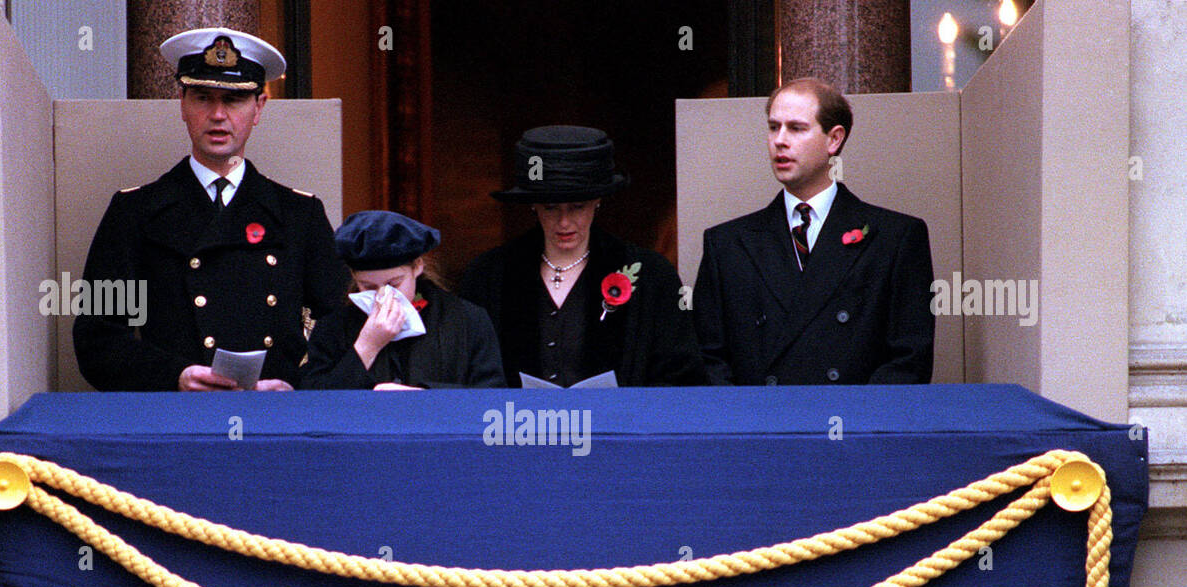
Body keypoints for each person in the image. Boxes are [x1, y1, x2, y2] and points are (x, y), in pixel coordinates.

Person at [73, 27, 347, 391]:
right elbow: (97, 339)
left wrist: (291, 386)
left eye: (233, 100)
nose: (218, 115)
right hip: (175, 414)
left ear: (259, 107)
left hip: (275, 414)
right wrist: (175, 376)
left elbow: (338, 329)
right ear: (182, 104)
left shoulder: (300, 215)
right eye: (203, 98)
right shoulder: (134, 213)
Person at [692, 78, 935, 386]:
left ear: (834, 139)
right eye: (773, 127)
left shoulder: (895, 238)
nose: (780, 140)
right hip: (758, 416)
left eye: (796, 128)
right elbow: (708, 361)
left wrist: (853, 414)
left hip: (854, 415)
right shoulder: (727, 245)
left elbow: (909, 360)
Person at [457, 126, 705, 387]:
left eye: (578, 207)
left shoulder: (651, 275)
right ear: (533, 205)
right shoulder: (489, 275)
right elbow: (466, 373)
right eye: (551, 207)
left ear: (598, 201)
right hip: (514, 415)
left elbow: (680, 375)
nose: (564, 222)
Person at [300, 211, 505, 389]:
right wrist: (367, 346)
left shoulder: (466, 319)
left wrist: (424, 397)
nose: (383, 296)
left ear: (417, 266)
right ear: (354, 277)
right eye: (368, 287)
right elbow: (315, 401)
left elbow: (491, 394)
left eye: (394, 284)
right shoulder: (334, 325)